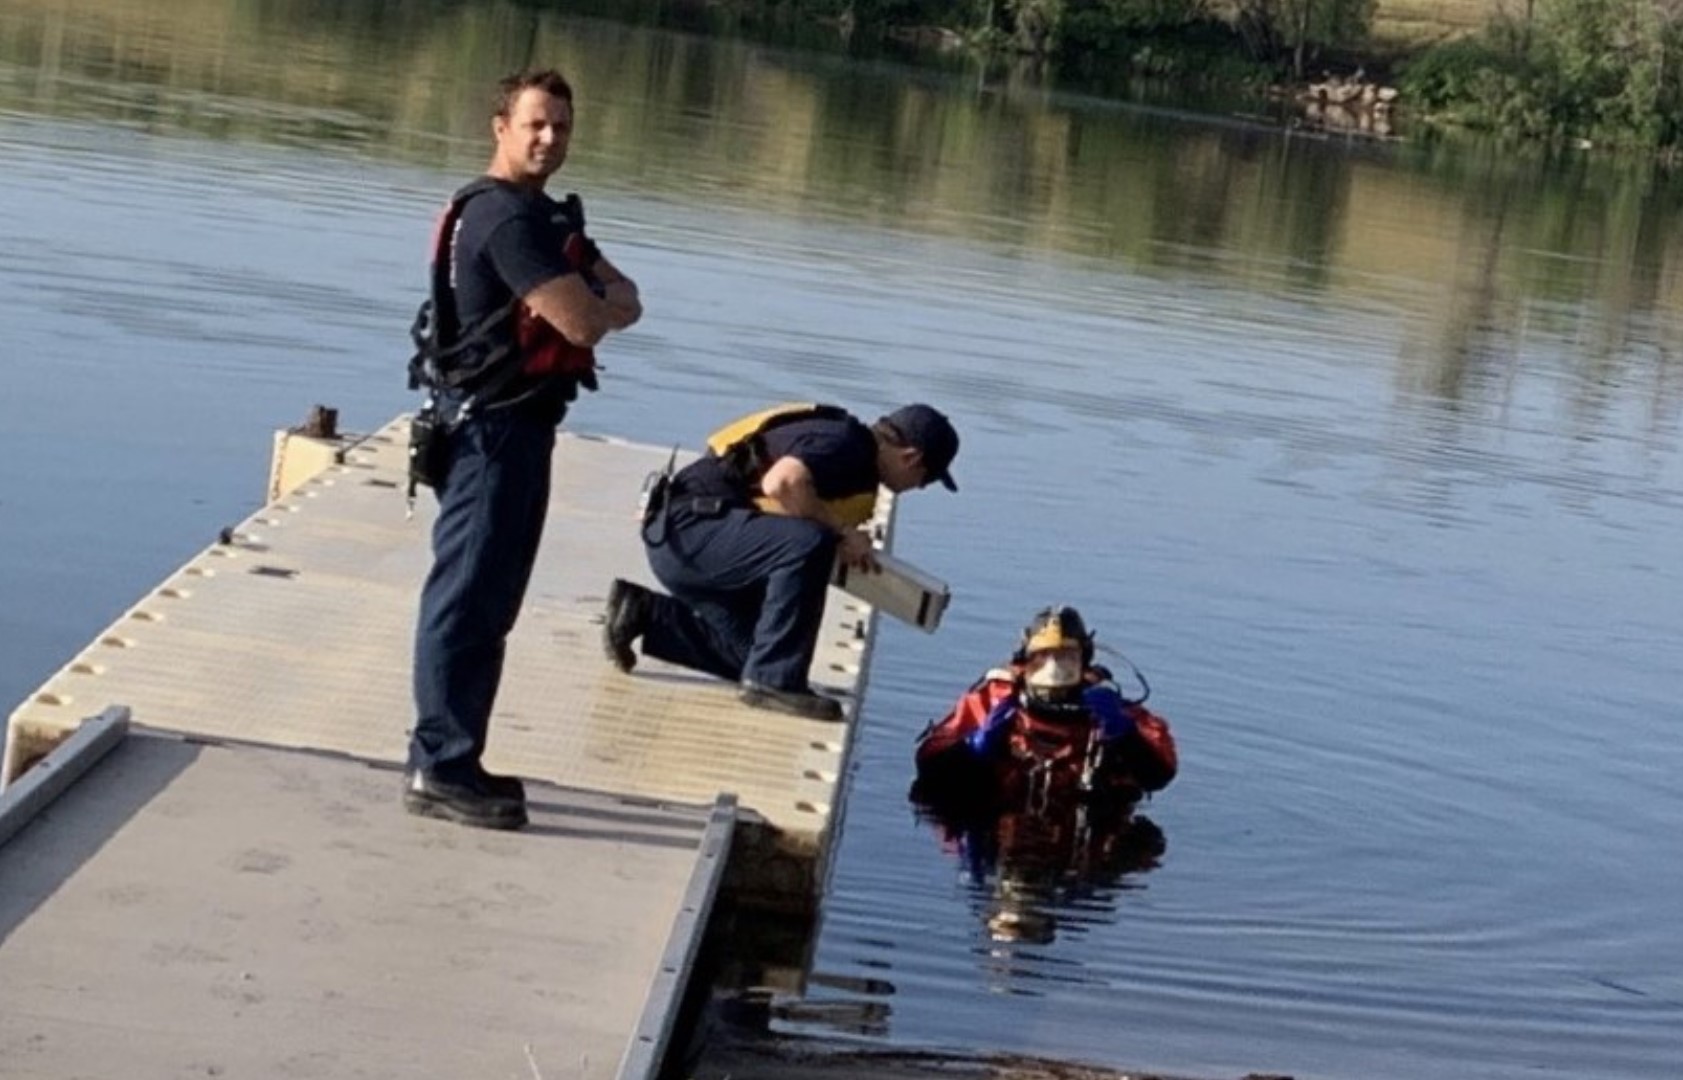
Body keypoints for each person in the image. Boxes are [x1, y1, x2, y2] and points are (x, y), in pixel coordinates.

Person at [403, 69, 644, 831]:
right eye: (536, 124)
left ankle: (459, 756)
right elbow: (584, 321)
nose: (549, 140)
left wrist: (599, 298)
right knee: (468, 598)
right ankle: (439, 763)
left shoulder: (539, 218)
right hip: (489, 432)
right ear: (499, 126)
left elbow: (629, 296)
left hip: (513, 429)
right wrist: (596, 300)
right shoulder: (506, 222)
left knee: (492, 601)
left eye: (562, 128)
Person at [602, 402, 959, 721]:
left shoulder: (847, 446)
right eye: (925, 478)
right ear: (910, 457)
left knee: (756, 652)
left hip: (686, 542)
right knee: (811, 542)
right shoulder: (847, 444)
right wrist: (842, 532)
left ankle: (645, 614)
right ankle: (774, 684)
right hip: (693, 532)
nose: (921, 487)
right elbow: (782, 483)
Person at [913, 606, 1176, 813]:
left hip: (1086, 836)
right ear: (1025, 659)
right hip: (995, 825)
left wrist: (1128, 739)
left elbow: (1161, 772)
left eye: (1066, 656)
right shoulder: (994, 701)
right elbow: (928, 762)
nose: (1054, 667)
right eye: (1043, 656)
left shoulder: (1109, 711)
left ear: (1083, 661)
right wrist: (973, 748)